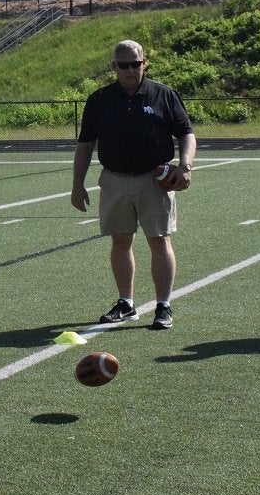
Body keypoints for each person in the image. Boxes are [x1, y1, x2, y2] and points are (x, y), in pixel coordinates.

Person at [71, 39, 196, 330]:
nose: (130, 70)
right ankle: (126, 303)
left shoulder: (162, 94)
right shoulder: (100, 99)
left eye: (135, 64)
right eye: (123, 65)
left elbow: (186, 134)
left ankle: (163, 305)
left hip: (154, 180)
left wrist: (185, 166)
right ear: (113, 67)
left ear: (145, 63)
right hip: (114, 178)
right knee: (120, 240)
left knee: (159, 240)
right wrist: (77, 184)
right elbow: (85, 144)